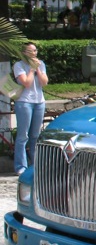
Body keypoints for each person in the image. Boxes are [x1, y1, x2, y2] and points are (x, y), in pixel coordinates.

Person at [13, 43, 48, 175]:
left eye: (35, 50)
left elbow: (44, 82)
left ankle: (35, 165)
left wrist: (38, 69)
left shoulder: (41, 64)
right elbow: (26, 83)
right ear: (24, 53)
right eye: (31, 51)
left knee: (35, 135)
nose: (34, 53)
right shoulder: (19, 65)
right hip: (24, 102)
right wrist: (32, 70)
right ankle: (20, 166)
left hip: (39, 101)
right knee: (23, 136)